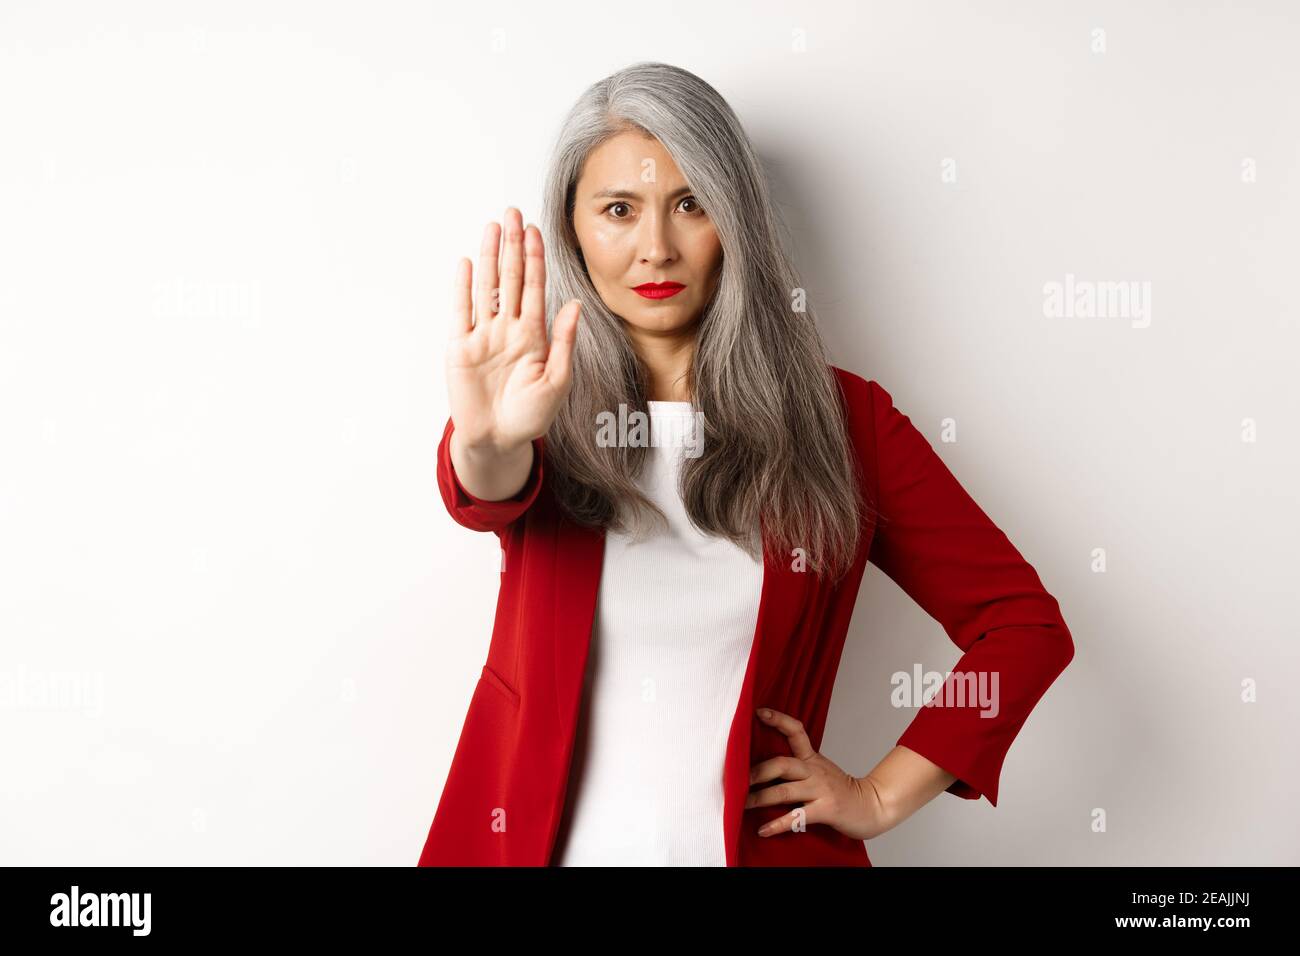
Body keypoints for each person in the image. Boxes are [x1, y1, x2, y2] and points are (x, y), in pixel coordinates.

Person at [420, 61, 1073, 867]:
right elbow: (487, 491)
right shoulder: (535, 412)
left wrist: (879, 794)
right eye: (618, 210)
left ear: (736, 219)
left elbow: (1023, 627)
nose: (655, 248)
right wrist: (485, 440)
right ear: (574, 227)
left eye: (691, 204)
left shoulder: (846, 423)